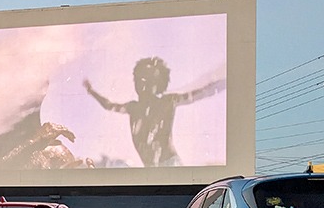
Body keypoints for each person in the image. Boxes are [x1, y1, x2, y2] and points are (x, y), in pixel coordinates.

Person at [84, 57, 225, 167]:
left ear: (158, 83)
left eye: (148, 79)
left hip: (170, 165)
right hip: (151, 169)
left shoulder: (167, 102)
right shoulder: (133, 107)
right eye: (139, 78)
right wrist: (91, 92)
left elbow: (199, 93)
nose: (142, 83)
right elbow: (109, 105)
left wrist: (224, 80)